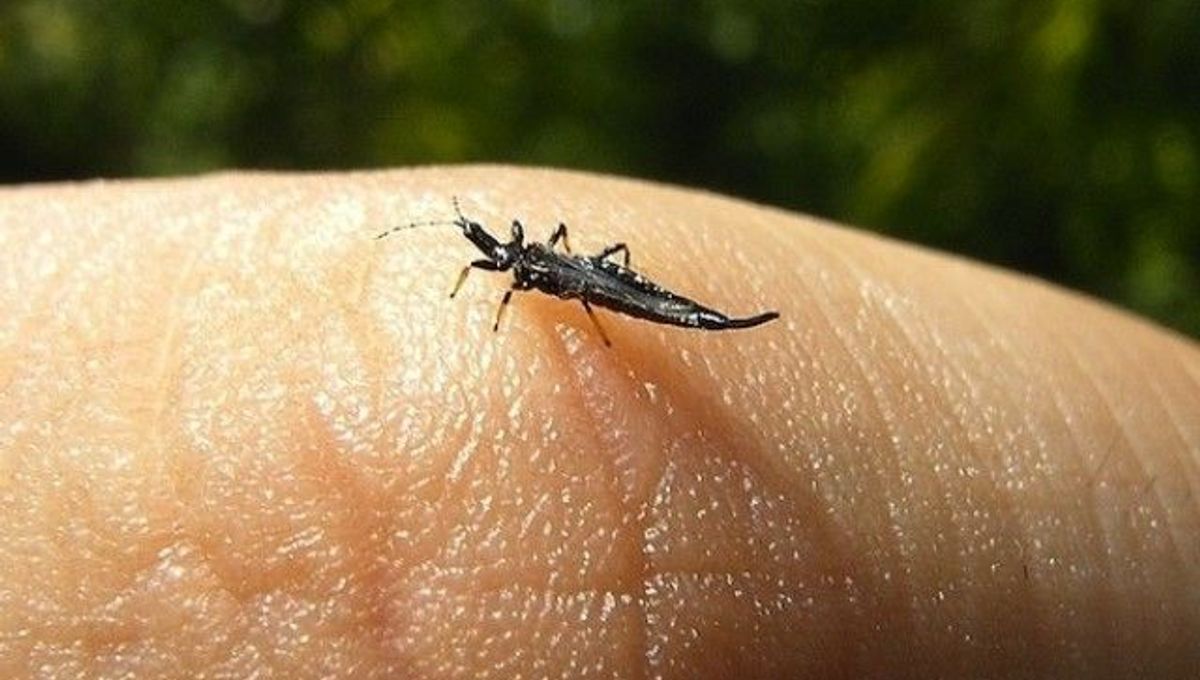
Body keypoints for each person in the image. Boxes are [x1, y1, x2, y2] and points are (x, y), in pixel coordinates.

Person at [1, 167, 1196, 678]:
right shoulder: (520, 268)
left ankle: (707, 317)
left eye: (491, 253)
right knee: (638, 301)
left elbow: (535, 278)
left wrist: (533, 295)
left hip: (605, 291)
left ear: (510, 255)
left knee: (642, 297)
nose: (492, 260)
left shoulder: (537, 273)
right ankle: (699, 317)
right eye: (492, 255)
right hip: (599, 293)